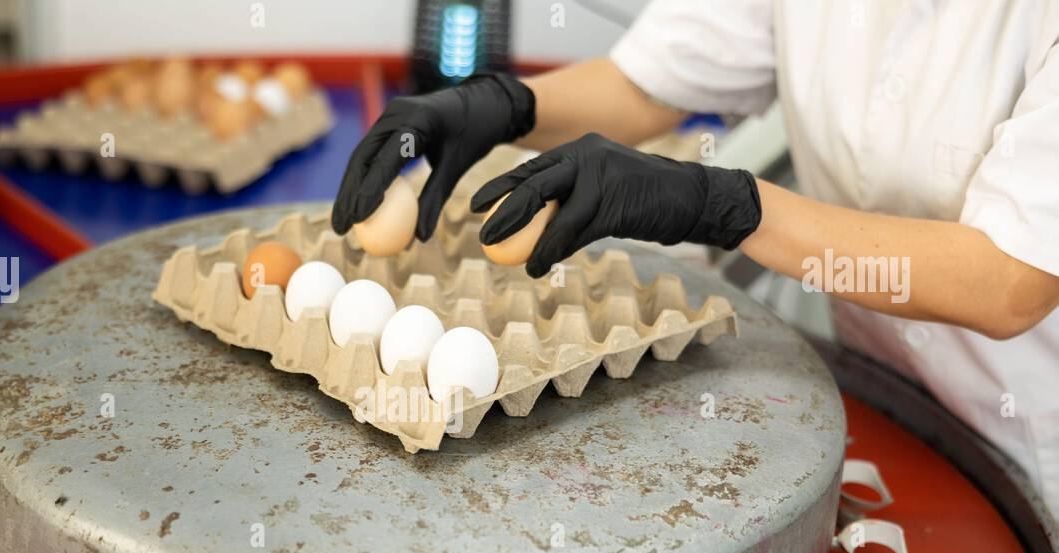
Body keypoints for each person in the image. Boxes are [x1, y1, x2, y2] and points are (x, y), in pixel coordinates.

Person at [331, 0, 1059, 514]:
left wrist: (722, 205)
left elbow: (1006, 283)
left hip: (1026, 435)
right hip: (879, 395)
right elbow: (646, 85)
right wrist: (497, 106)